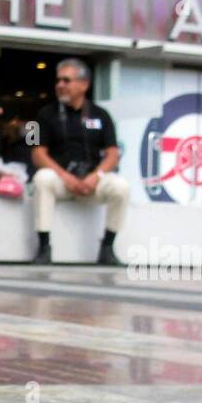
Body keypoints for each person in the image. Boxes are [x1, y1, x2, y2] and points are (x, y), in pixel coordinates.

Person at [30, 58, 130, 265]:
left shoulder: (102, 115)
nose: (60, 85)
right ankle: (43, 247)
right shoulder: (42, 114)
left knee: (121, 186)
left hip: (91, 183)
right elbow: (37, 154)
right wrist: (65, 177)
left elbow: (113, 154)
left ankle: (108, 248)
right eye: (58, 81)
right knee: (41, 178)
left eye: (66, 80)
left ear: (84, 84)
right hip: (61, 181)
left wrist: (96, 177)